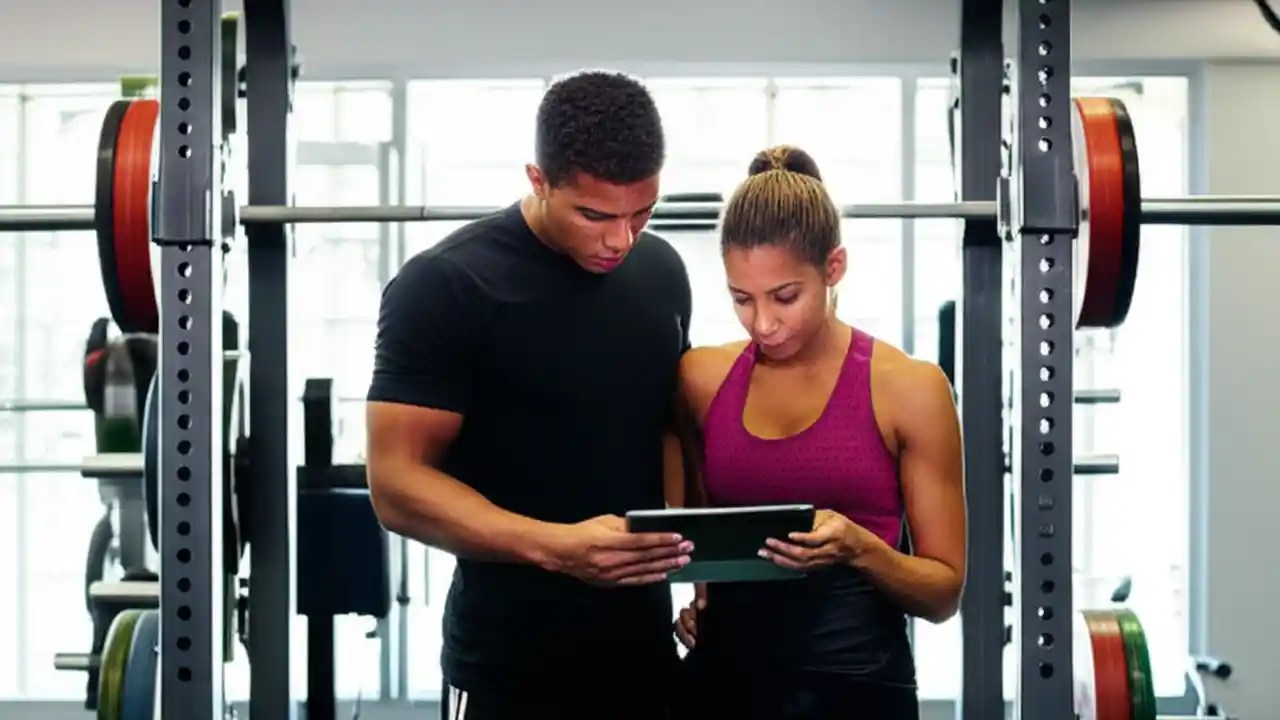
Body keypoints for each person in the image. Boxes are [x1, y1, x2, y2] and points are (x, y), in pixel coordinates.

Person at [364, 70, 695, 720]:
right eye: (595, 214)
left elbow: (668, 431)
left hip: (642, 655)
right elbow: (396, 484)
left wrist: (700, 570)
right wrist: (556, 547)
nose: (620, 240)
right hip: (507, 664)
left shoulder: (661, 272)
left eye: (642, 212)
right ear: (537, 180)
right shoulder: (446, 285)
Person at [669, 146, 967, 719]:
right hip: (723, 687)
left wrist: (859, 547)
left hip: (857, 690)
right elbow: (696, 537)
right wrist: (700, 603)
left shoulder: (910, 389)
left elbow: (943, 592)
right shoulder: (700, 379)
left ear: (834, 268)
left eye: (785, 297)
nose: (763, 323)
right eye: (741, 298)